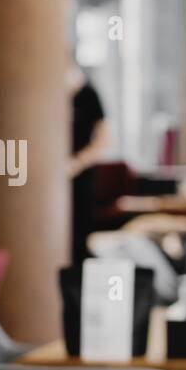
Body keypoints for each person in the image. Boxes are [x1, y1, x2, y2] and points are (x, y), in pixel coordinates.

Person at [67, 60, 111, 265]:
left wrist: (77, 163)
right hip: (52, 179)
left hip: (80, 175)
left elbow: (104, 140)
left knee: (78, 235)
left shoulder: (88, 95)